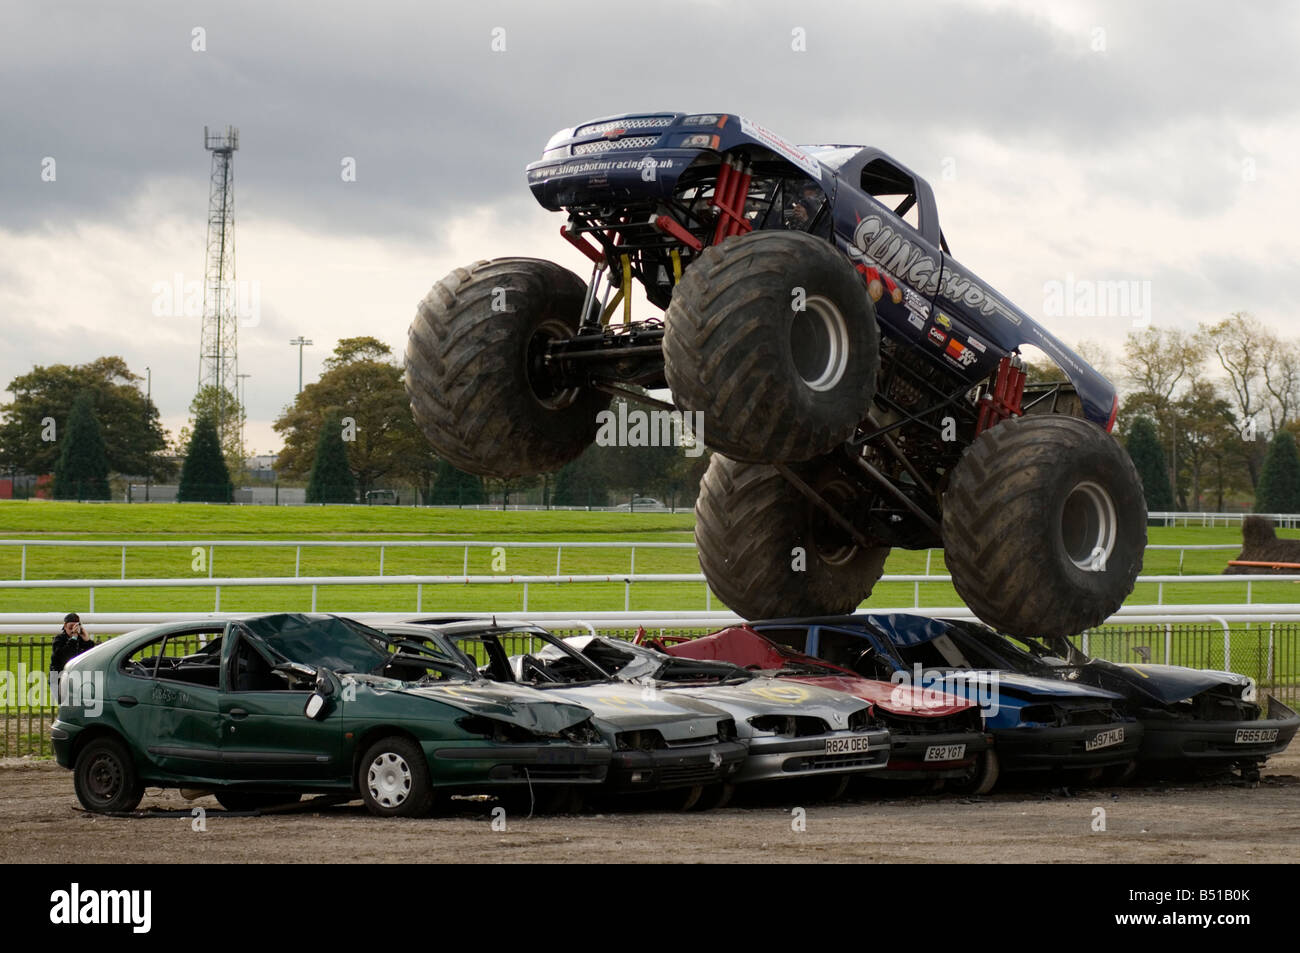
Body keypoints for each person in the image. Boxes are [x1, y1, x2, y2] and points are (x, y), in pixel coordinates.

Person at [50, 613, 95, 702]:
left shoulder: (81, 640)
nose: (73, 631)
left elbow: (91, 655)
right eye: (70, 627)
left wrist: (87, 640)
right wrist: (73, 638)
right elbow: (65, 655)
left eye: (75, 627)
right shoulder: (59, 639)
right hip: (59, 677)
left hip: (77, 677)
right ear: (65, 626)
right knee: (64, 703)